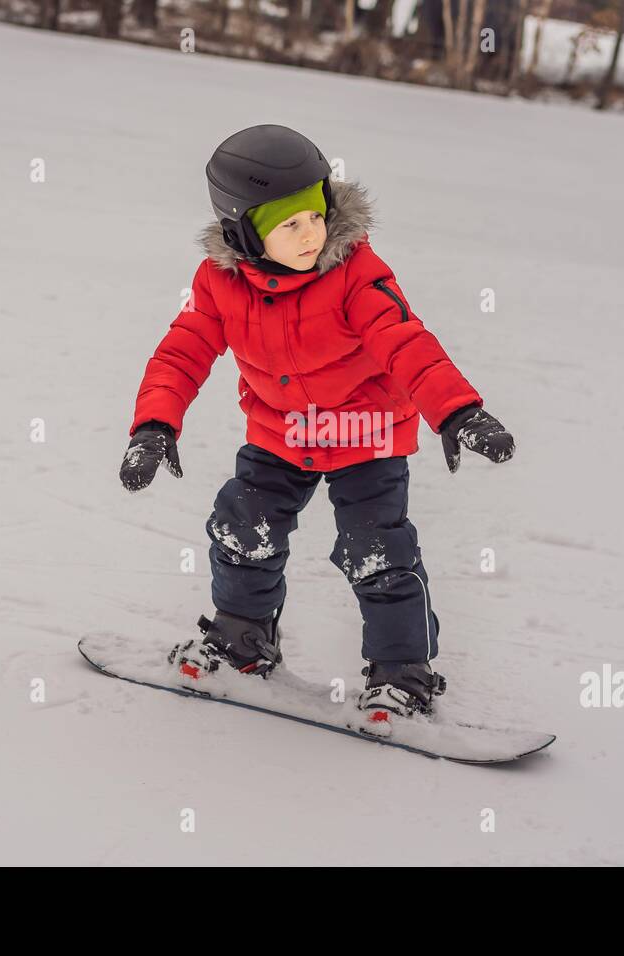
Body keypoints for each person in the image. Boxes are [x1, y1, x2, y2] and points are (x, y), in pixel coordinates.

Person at [119, 124, 515, 723]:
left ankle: (403, 670)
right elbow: (182, 352)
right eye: (289, 225)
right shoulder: (220, 282)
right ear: (245, 232)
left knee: (375, 548)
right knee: (241, 524)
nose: (311, 235)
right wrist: (154, 426)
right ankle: (242, 637)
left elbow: (405, 342)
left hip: (366, 434)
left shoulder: (355, 273)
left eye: (315, 215)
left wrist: (456, 410)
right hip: (281, 433)